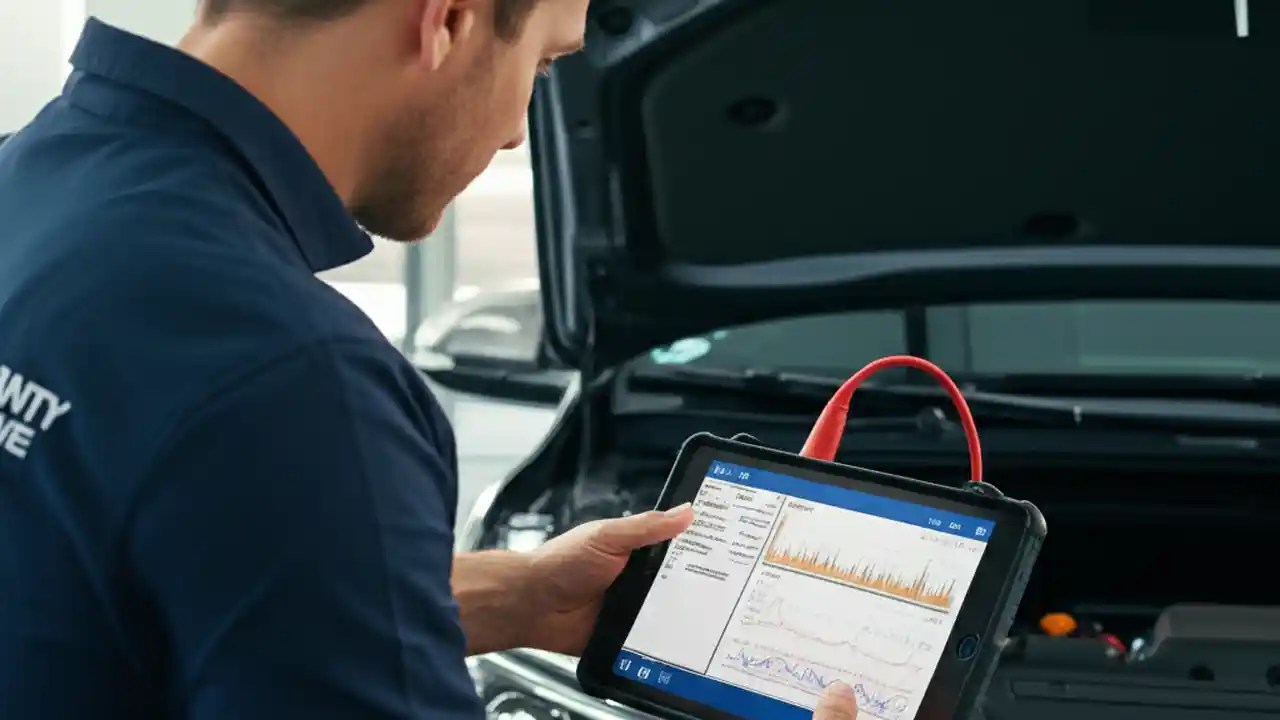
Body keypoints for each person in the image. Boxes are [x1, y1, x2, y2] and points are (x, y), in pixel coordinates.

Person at [0, 2, 858, 719]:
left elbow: (116, 591)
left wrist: (517, 593)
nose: (523, 131)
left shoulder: (27, 178)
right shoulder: (292, 379)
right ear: (447, 18)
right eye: (544, 64)